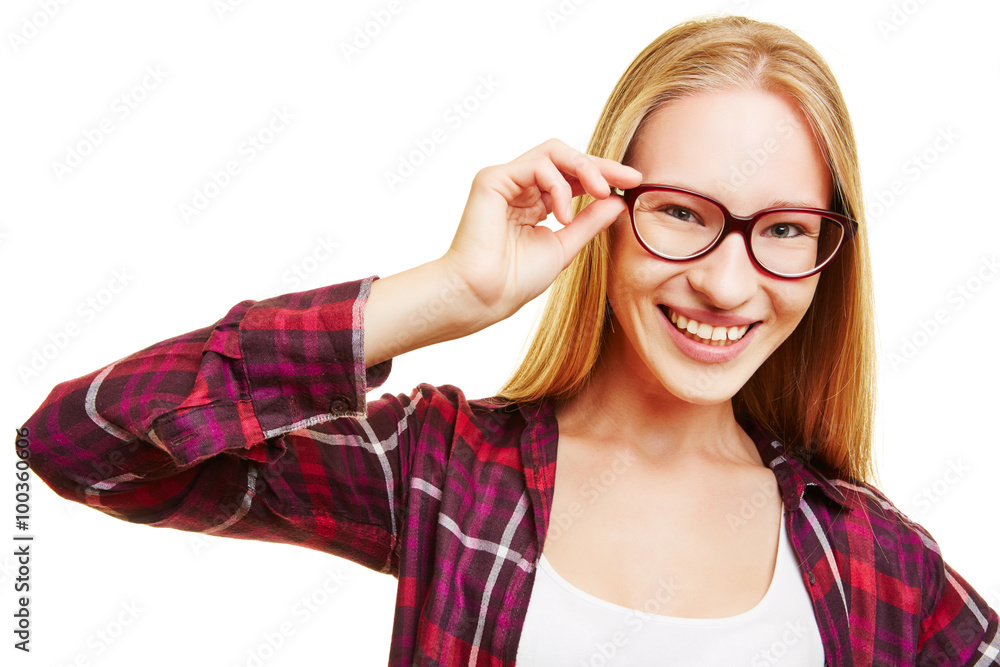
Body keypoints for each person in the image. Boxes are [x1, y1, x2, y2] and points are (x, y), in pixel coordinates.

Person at [18, 14, 998, 666]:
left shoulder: (872, 556)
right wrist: (448, 293)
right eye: (684, 213)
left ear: (830, 253)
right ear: (603, 207)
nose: (727, 281)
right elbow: (83, 446)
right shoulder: (442, 472)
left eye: (782, 228)